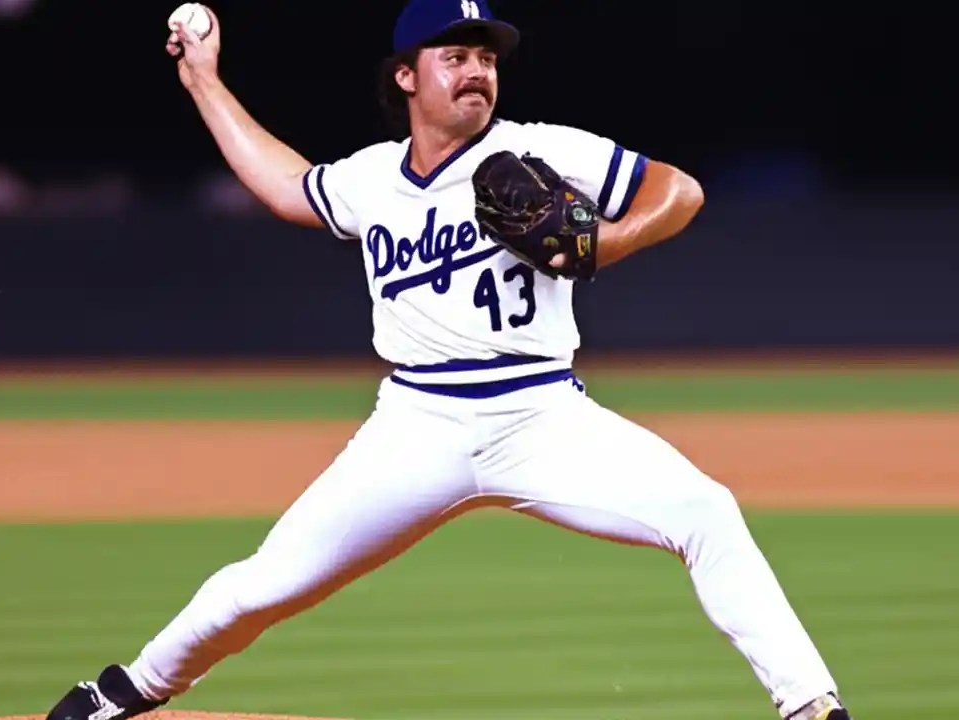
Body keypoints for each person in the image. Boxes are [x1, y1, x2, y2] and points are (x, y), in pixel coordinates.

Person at [44, 1, 853, 718]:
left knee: (704, 511)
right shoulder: (370, 180)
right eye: (455, 56)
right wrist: (204, 82)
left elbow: (679, 190)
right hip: (413, 427)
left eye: (488, 58)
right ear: (407, 75)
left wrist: (605, 242)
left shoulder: (538, 150)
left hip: (543, 417)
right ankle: (129, 689)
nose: (477, 72)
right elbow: (287, 185)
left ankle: (811, 706)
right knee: (262, 585)